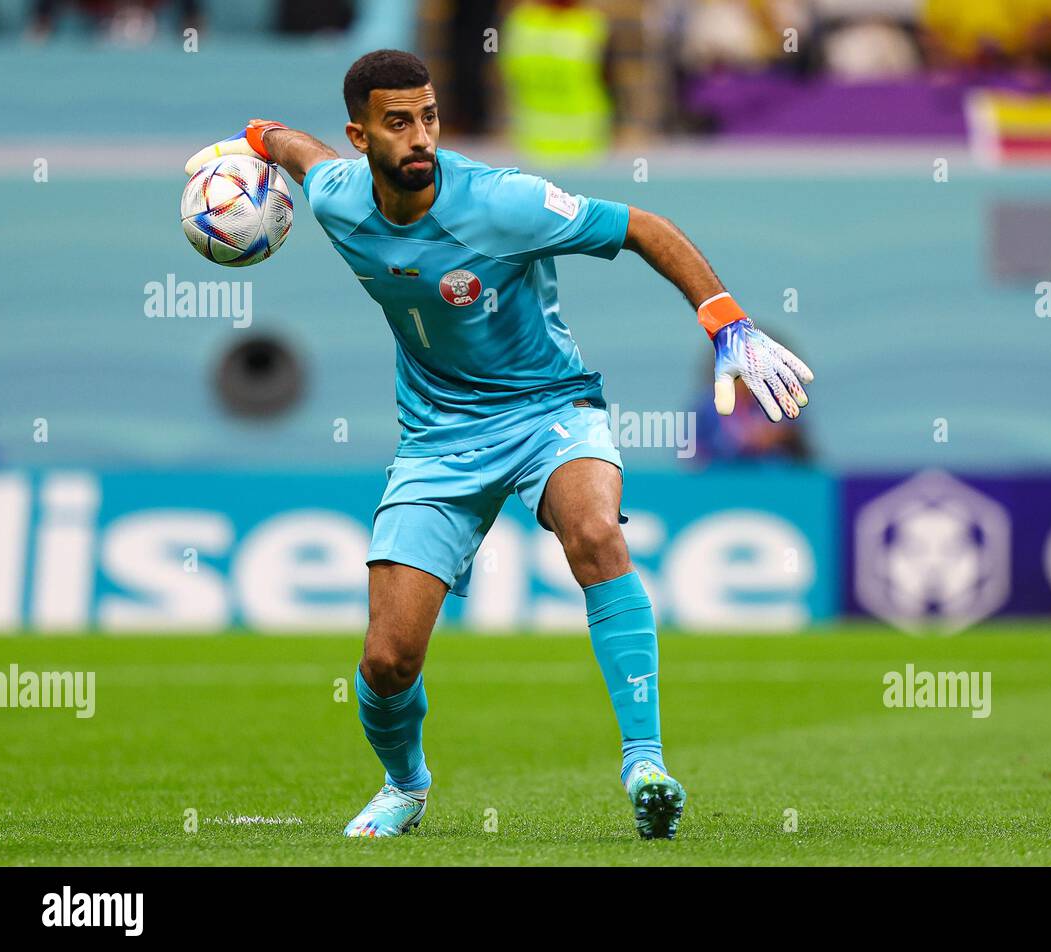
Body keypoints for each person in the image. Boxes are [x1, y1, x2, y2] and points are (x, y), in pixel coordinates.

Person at [183, 49, 814, 840]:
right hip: (437, 440)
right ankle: (405, 786)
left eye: (430, 116)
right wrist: (255, 136)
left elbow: (643, 227)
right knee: (386, 662)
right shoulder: (340, 198)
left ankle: (645, 763)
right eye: (398, 122)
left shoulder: (504, 203)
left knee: (594, 531)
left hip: (549, 410)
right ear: (361, 135)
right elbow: (295, 150)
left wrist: (727, 321)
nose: (420, 138)